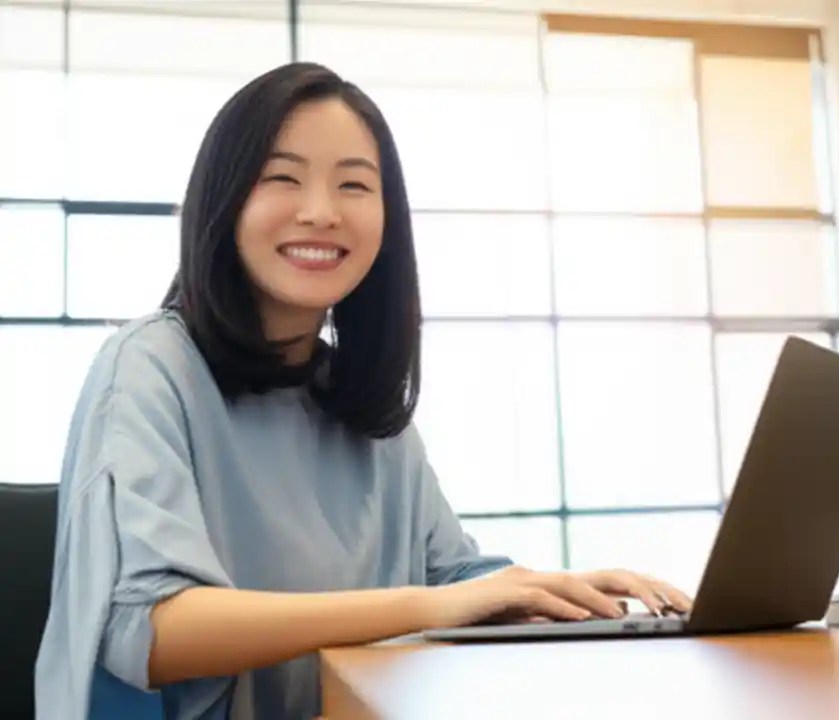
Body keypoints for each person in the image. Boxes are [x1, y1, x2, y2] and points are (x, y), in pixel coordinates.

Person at [34, 62, 692, 720]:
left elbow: (453, 580)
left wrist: (565, 594)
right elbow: (149, 630)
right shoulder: (150, 367)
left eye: (354, 185)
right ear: (224, 198)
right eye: (282, 178)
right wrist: (425, 607)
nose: (320, 213)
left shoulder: (362, 402)